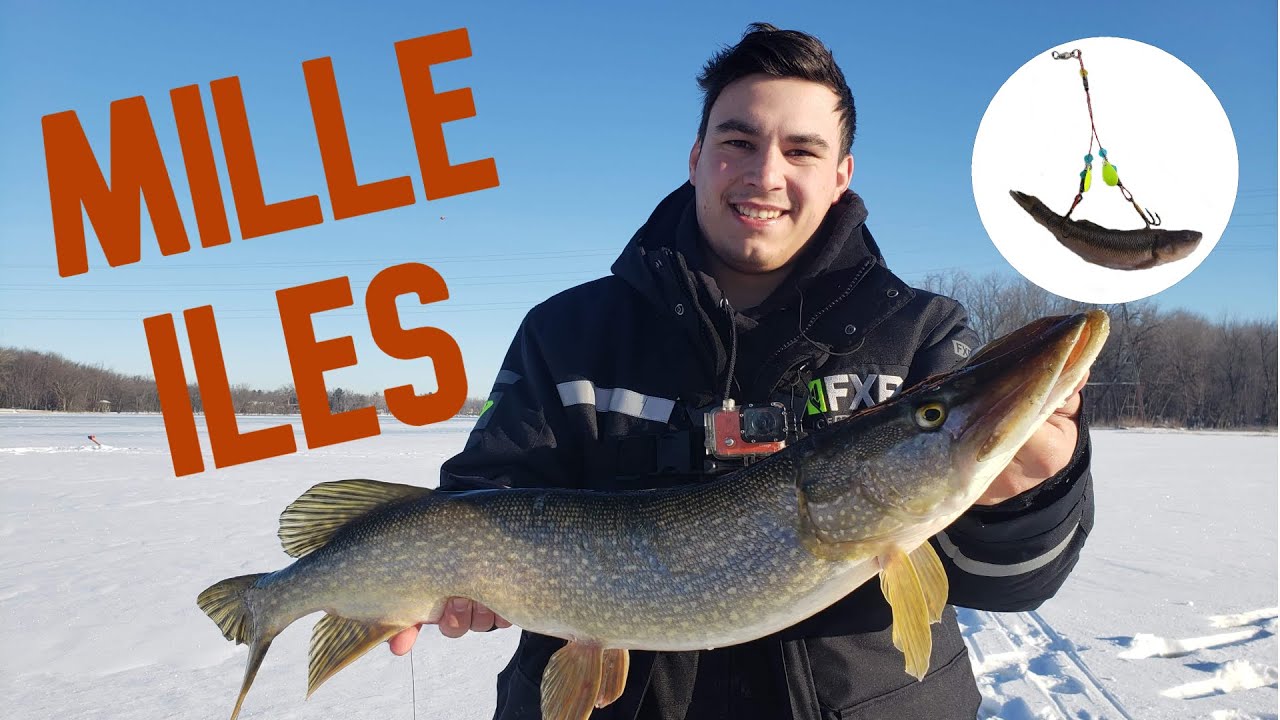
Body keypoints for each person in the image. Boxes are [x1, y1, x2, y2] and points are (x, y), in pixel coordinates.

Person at [389, 23, 1094, 719]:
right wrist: (455, 575)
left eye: (802, 150)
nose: (766, 174)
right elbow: (487, 494)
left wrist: (1031, 493)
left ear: (841, 175)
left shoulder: (921, 335)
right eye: (738, 142)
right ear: (696, 156)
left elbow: (1007, 583)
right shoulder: (566, 333)